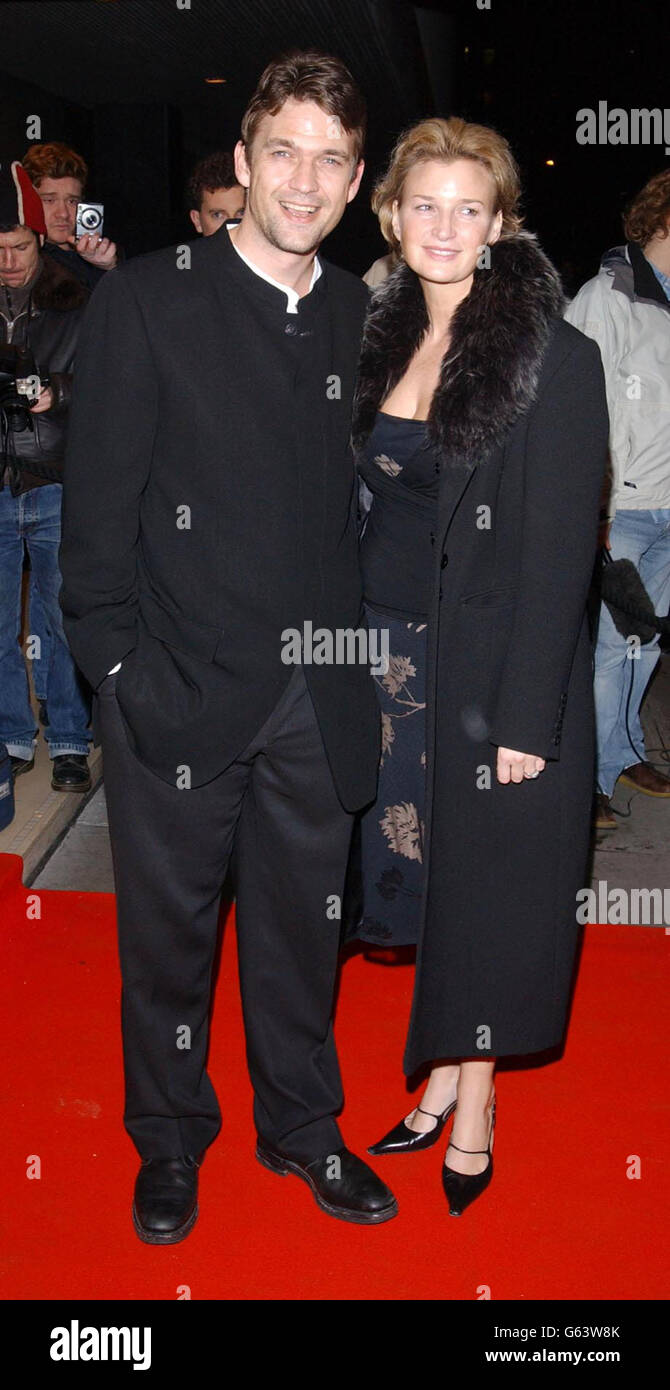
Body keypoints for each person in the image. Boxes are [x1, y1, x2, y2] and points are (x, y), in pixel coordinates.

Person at [59, 50, 397, 1243]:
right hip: (177, 693)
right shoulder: (150, 297)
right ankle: (169, 1137)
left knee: (305, 934)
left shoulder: (364, 312)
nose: (305, 180)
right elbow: (93, 524)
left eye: (332, 159)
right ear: (246, 160)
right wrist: (119, 678)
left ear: (356, 182)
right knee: (167, 942)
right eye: (285, 150)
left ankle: (302, 1129)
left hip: (321, 695)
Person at [348, 117, 608, 1215]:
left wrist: (525, 720)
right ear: (391, 215)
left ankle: (476, 1098)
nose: (443, 226)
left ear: (501, 223)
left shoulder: (557, 355)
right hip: (384, 659)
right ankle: (443, 1069)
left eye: (468, 207)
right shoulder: (375, 332)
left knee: (490, 888)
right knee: (429, 881)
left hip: (489, 671)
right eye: (423, 204)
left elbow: (558, 559)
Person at [565, 170, 670, 829]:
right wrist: (594, 503)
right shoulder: (609, 296)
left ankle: (622, 751)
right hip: (625, 508)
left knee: (644, 645)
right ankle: (588, 785)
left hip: (668, 505)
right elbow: (580, 407)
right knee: (609, 648)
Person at [0, 160, 92, 791]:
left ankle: (67, 740)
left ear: (39, 240)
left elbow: (116, 384)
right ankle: (10, 735)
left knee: (61, 618)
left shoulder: (79, 293)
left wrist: (56, 391)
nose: (8, 262)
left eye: (20, 247)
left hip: (58, 475)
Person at [186, 151, 246, 235]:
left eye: (242, 213)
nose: (231, 226)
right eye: (218, 215)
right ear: (197, 220)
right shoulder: (182, 248)